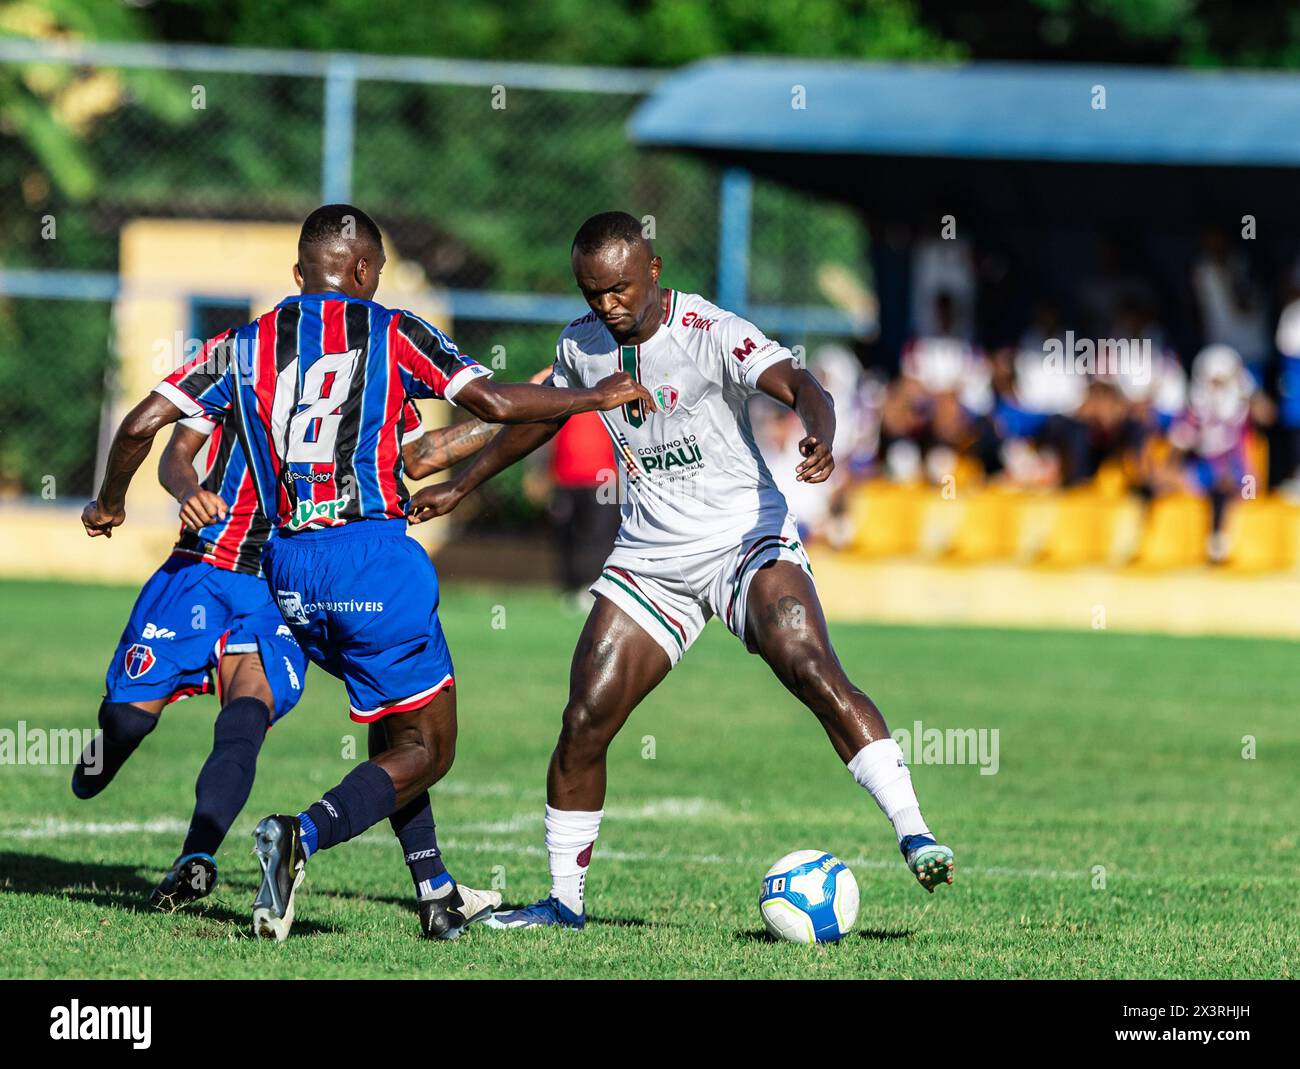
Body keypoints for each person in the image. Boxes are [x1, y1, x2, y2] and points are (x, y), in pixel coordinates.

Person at [80, 203, 651, 940]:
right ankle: (301, 834)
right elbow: (497, 401)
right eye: (377, 271)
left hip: (287, 570)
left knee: (393, 721)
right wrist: (592, 396)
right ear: (360, 270)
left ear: (300, 273)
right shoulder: (390, 330)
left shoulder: (241, 344)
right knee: (428, 748)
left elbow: (136, 425)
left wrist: (107, 502)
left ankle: (437, 891)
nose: (379, 282)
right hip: (373, 559)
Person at [409, 211, 952, 930]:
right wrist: (463, 483)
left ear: (654, 270)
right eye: (593, 291)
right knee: (584, 719)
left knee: (808, 662)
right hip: (650, 563)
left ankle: (913, 829)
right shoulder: (583, 342)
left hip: (743, 543)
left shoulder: (708, 331)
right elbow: (545, 418)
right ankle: (563, 904)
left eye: (621, 288)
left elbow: (799, 380)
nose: (609, 305)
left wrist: (820, 428)